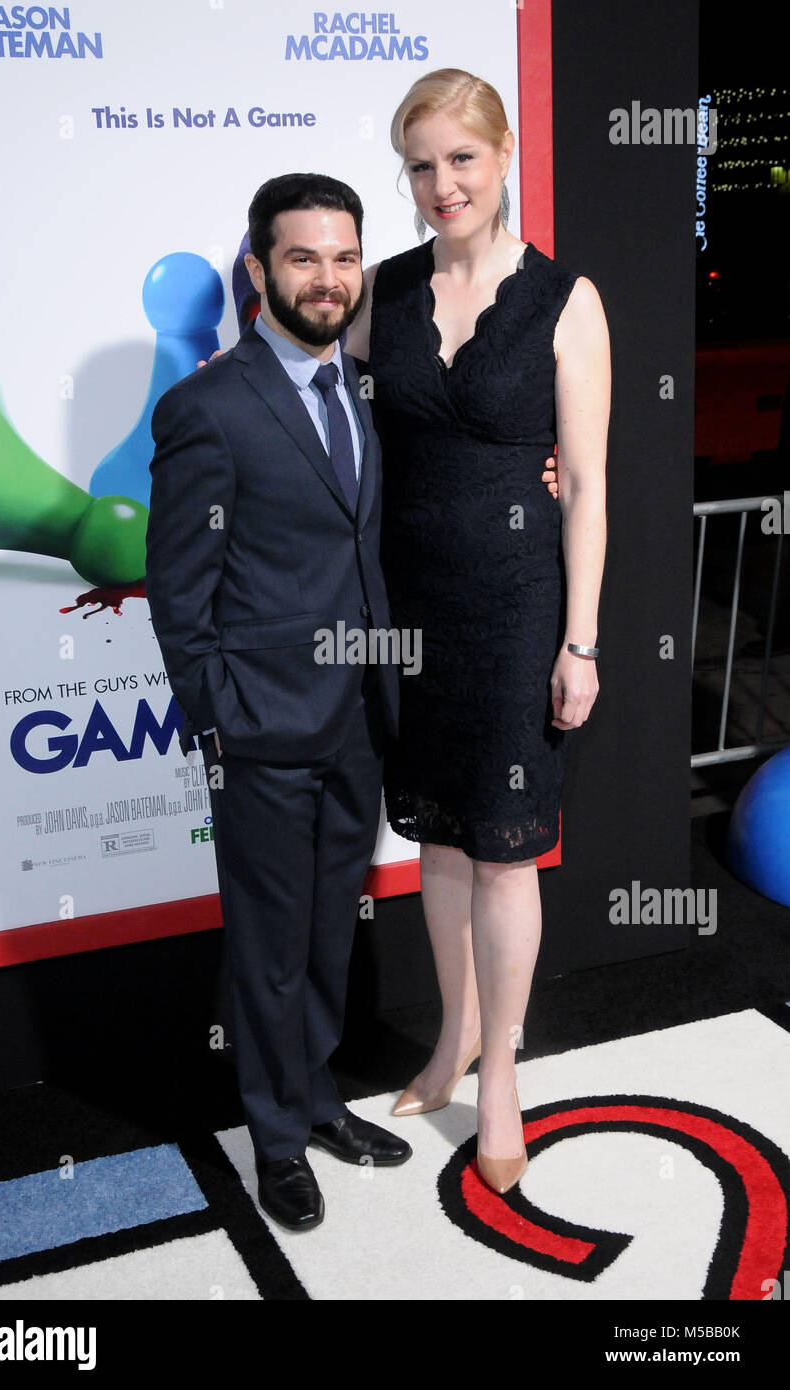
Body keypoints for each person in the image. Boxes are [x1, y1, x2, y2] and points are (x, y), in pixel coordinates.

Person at [343, 69, 610, 1194]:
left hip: (514, 611)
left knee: (504, 852)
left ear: (503, 158)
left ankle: (500, 1072)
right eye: (419, 164)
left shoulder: (563, 300)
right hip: (408, 612)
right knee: (440, 842)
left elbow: (588, 484)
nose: (441, 183)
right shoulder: (382, 293)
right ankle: (450, 1036)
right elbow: (330, 418)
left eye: (461, 157)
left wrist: (581, 642)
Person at [145, 173, 413, 1233]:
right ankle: (275, 1142)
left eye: (343, 256)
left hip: (357, 715)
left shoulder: (360, 386)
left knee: (326, 937)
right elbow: (178, 590)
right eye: (302, 257)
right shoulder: (207, 405)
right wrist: (221, 717)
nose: (327, 277)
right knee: (267, 943)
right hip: (260, 727)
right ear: (259, 270)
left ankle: (316, 1101)